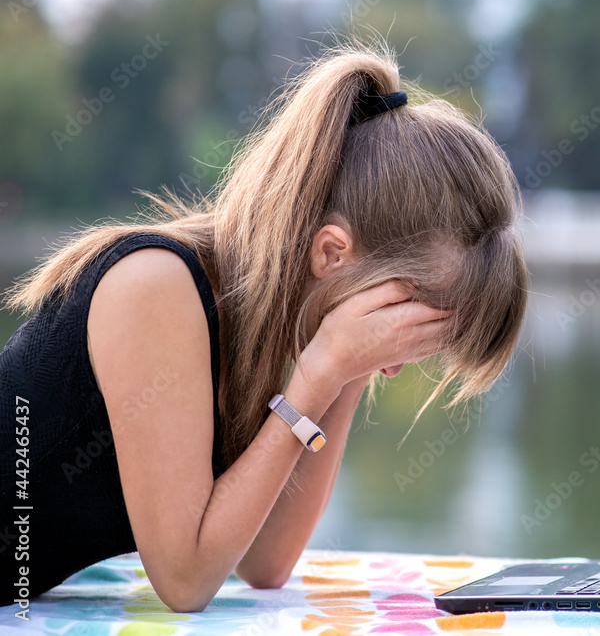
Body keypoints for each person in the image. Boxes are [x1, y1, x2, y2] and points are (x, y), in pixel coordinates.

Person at [0, 43, 528, 612]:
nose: (394, 362)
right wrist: (318, 375)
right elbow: (186, 579)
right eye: (398, 321)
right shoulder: (156, 287)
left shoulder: (260, 321)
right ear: (332, 254)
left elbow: (265, 561)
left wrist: (347, 369)